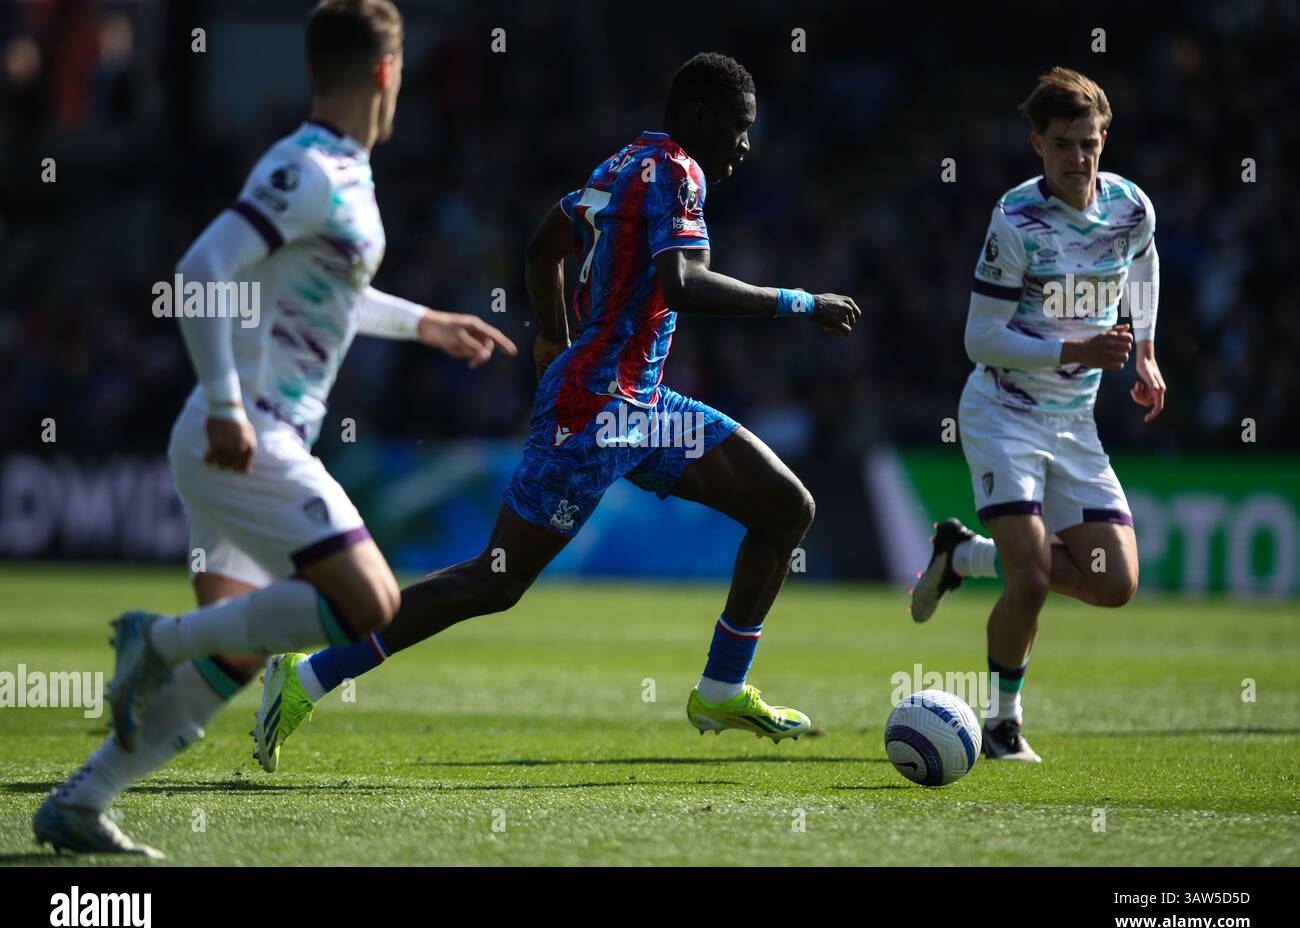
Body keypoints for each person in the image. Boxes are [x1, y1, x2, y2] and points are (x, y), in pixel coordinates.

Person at [252, 52, 861, 770]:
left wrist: (551, 334)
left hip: (645, 406)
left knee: (786, 507)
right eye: (740, 128)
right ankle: (311, 674)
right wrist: (798, 302)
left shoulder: (622, 166)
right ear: (700, 118)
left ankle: (722, 687)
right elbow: (684, 282)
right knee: (496, 580)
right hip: (595, 413)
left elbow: (546, 244)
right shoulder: (679, 172)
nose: (745, 145)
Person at [34, 0, 515, 856]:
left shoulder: (342, 172)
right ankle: (157, 638)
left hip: (238, 437)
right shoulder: (311, 168)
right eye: (402, 71)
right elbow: (201, 268)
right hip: (246, 433)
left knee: (237, 654)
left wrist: (421, 323)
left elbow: (324, 296)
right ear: (384, 72)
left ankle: (83, 800)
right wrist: (224, 401)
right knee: (371, 603)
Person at [910, 68, 1164, 763]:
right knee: (1032, 578)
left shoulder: (1131, 208)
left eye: (1087, 143)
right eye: (1062, 145)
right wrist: (1078, 347)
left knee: (1115, 582)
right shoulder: (1015, 220)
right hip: (1004, 415)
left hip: (1075, 425)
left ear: (1104, 139)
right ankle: (1002, 726)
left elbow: (1143, 268)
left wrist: (1144, 351)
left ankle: (960, 555)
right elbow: (980, 339)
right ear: (1037, 145)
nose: (1077, 159)